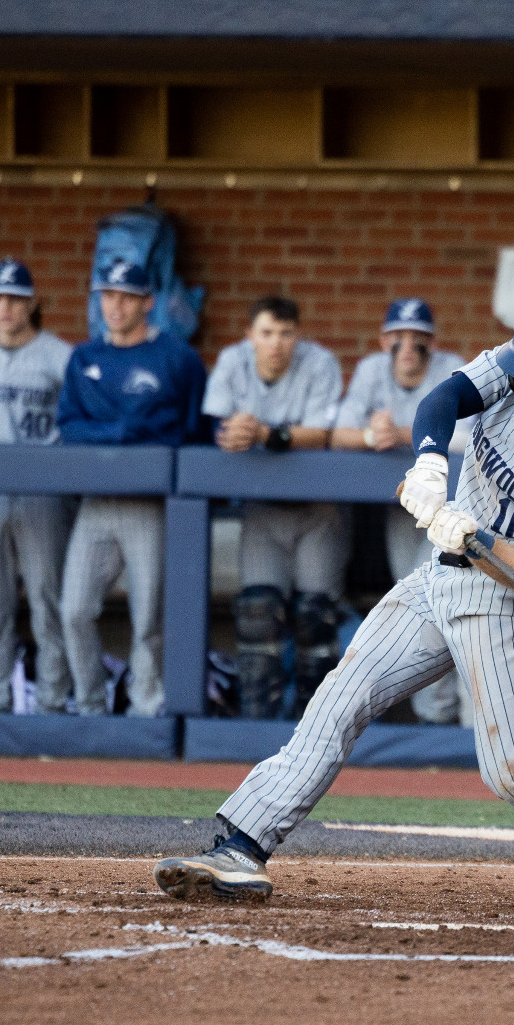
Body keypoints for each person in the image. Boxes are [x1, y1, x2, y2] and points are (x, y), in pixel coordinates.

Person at [151, 286, 514, 918]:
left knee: (513, 771)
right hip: (440, 578)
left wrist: (474, 534)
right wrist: (430, 465)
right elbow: (447, 396)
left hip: (510, 600)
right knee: (343, 694)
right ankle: (242, 845)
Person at [56, 260, 207, 718]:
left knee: (149, 619)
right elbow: (70, 428)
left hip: (151, 504)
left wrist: (127, 432)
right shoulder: (84, 358)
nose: (115, 305)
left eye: (126, 296)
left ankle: (146, 709)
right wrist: (126, 431)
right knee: (74, 611)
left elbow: (193, 430)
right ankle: (89, 705)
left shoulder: (177, 357)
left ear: (147, 302)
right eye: (107, 295)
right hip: (96, 502)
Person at [204, 295, 346, 719]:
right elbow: (214, 425)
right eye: (266, 333)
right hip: (262, 510)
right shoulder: (232, 360)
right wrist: (233, 432)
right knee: (258, 613)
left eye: (286, 333)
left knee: (314, 619)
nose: (276, 343)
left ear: (297, 335)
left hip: (318, 511)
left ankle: (315, 727)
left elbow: (321, 433)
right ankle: (257, 727)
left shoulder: (320, 363)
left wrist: (265, 433)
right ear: (251, 335)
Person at [331, 297, 468, 725]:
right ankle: (434, 717)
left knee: (446, 608)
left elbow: (469, 437)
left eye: (419, 339)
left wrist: (407, 434)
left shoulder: (453, 366)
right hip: (401, 512)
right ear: (384, 340)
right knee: (416, 605)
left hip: (451, 513)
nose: (408, 347)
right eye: (399, 338)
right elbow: (339, 433)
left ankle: (459, 718)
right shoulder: (373, 370)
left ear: (433, 343)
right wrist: (373, 436)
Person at [0, 258, 76, 715]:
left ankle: (51, 703)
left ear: (33, 303)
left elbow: (73, 426)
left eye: (15, 298)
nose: (5, 307)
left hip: (44, 491)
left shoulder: (61, 355)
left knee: (48, 604)